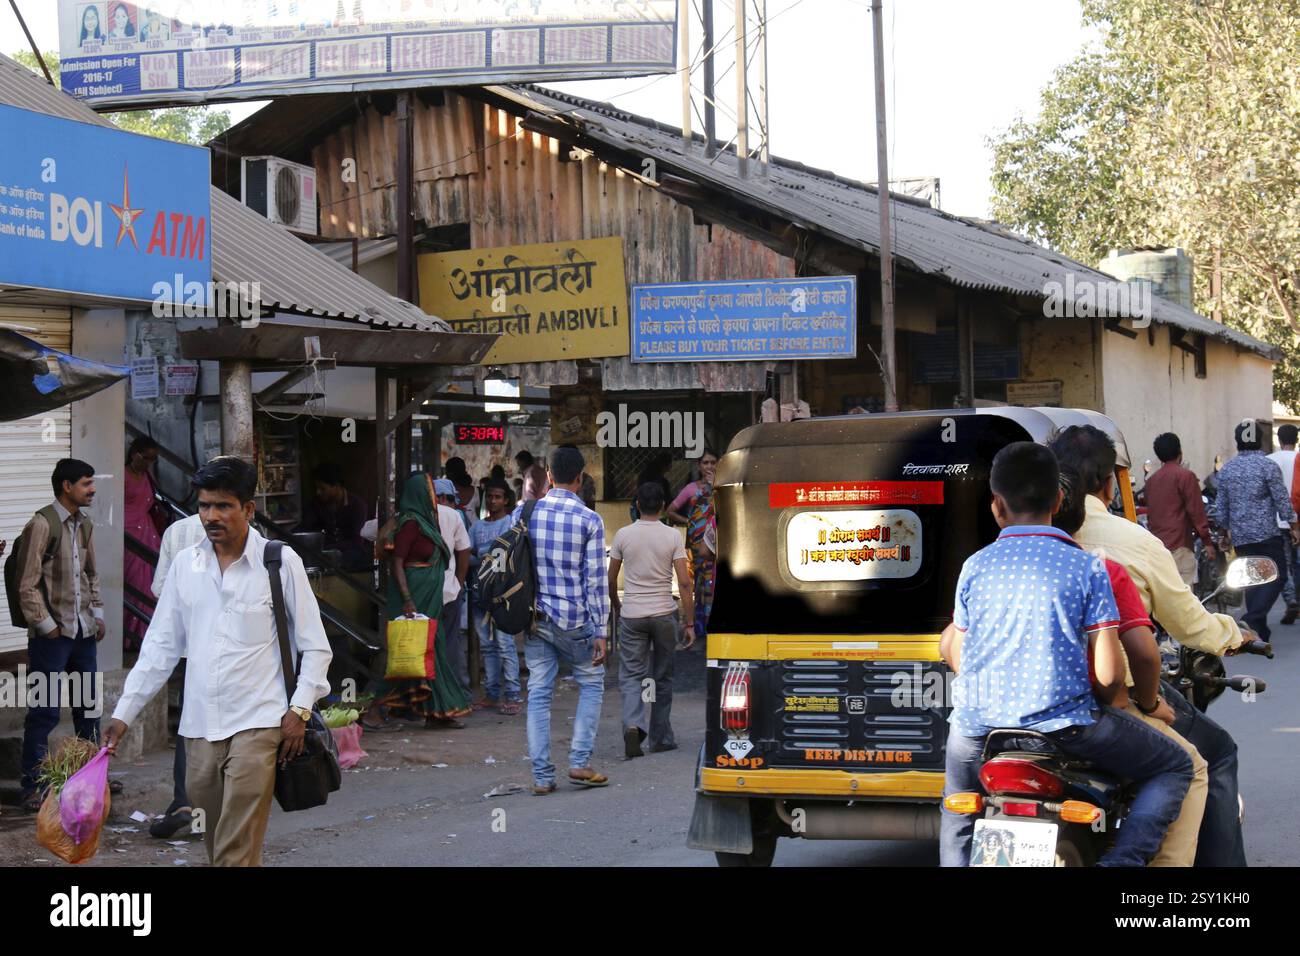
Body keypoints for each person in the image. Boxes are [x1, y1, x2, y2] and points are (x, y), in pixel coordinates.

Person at [939, 442, 1194, 867]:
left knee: (956, 808)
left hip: (977, 730)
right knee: (1175, 767)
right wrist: (1130, 704)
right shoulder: (1087, 567)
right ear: (1059, 501)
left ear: (997, 506)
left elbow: (959, 654)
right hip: (1066, 727)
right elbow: (1110, 672)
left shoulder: (976, 565)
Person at [104, 457, 333, 867]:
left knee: (232, 849)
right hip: (198, 729)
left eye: (223, 506)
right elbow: (160, 647)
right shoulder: (185, 567)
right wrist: (124, 713)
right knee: (221, 845)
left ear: (248, 509)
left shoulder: (279, 564)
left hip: (259, 723)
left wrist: (299, 709)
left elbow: (315, 646)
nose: (211, 516)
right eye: (205, 505)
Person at [1055, 424, 1250, 866]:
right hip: (1105, 702)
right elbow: (1136, 656)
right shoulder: (1114, 560)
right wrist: (1146, 701)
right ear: (1110, 482)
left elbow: (955, 642)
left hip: (1016, 709)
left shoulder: (1001, 554)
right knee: (1201, 761)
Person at [509, 446, 610, 794]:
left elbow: (512, 564)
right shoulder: (590, 520)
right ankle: (579, 762)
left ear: (549, 477)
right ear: (580, 479)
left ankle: (542, 777)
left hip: (535, 619)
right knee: (592, 683)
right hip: (575, 619)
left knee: (538, 694)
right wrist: (602, 630)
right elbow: (595, 582)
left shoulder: (524, 512)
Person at [16, 459, 106, 813]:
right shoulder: (42, 523)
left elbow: (91, 574)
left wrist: (97, 615)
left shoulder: (85, 525)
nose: (92, 489)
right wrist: (45, 625)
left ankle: (91, 780)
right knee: (43, 712)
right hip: (52, 638)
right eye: (86, 483)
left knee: (88, 711)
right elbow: (27, 583)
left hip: (82, 633)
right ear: (67, 487)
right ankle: (32, 786)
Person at [366, 474, 473, 729]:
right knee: (409, 654)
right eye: (429, 492)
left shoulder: (427, 522)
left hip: (431, 596)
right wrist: (407, 599)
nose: (433, 497)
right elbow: (397, 563)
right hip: (414, 598)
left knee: (432, 652)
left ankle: (438, 712)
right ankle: (376, 710)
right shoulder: (411, 523)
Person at [609, 482, 695, 759]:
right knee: (662, 678)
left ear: (636, 505)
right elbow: (684, 583)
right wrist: (690, 622)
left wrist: (617, 605)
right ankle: (660, 737)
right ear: (662, 505)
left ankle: (633, 725)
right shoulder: (672, 536)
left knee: (632, 676)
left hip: (633, 615)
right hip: (662, 614)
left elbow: (610, 579)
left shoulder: (623, 535)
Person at [143, 511, 206, 839]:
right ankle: (202, 807)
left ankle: (185, 801)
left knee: (189, 723)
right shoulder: (245, 533)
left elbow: (158, 588)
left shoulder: (176, 531)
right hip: (228, 651)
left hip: (187, 646)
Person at [1211, 420, 1298, 644]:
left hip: (1241, 537)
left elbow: (1221, 508)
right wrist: (1294, 526)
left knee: (1252, 579)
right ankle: (1252, 618)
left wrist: (1223, 533)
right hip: (1267, 534)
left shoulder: (1228, 469)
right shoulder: (1267, 466)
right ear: (1259, 440)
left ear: (1237, 441)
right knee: (1277, 577)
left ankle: (1256, 632)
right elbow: (1281, 500)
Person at [468, 480, 522, 714]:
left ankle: (512, 695)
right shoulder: (477, 527)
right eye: (489, 496)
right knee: (488, 646)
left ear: (506, 500)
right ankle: (491, 693)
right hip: (480, 593)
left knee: (505, 644)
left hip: (502, 596)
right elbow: (466, 553)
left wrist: (480, 557)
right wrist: (484, 557)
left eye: (498, 497)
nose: (492, 501)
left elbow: (504, 556)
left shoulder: (510, 524)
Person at [1143, 433, 1215, 587]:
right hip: (1180, 545)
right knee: (1185, 595)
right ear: (1179, 451)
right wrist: (1207, 542)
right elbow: (1196, 512)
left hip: (1158, 548)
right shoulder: (1186, 476)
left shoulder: (1151, 481)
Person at [666, 448, 719, 639]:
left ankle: (716, 626)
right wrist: (689, 521)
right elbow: (670, 510)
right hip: (697, 547)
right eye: (706, 463)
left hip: (719, 544)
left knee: (716, 585)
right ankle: (700, 627)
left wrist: (715, 487)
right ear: (699, 465)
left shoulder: (722, 487)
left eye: (713, 462)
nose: (709, 466)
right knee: (700, 585)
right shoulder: (691, 488)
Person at [123, 436, 165, 651]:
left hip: (147, 532)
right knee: (135, 584)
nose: (149, 462)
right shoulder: (122, 476)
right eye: (146, 457)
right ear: (135, 454)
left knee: (151, 584)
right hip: (129, 533)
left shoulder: (147, 476)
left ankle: (146, 633)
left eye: (153, 459)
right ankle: (130, 637)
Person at [297, 462, 370, 571]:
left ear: (336, 486)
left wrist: (328, 549)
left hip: (351, 555)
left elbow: (357, 540)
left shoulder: (357, 505)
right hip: (326, 554)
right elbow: (306, 526)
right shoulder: (316, 504)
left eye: (322, 488)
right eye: (317, 488)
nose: (318, 492)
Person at [1268, 424, 1300, 623]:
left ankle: (1291, 600)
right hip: (1298, 519)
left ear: (1279, 440)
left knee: (1284, 563)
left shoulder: (1269, 461)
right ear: (1296, 439)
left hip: (1277, 521)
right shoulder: (1298, 458)